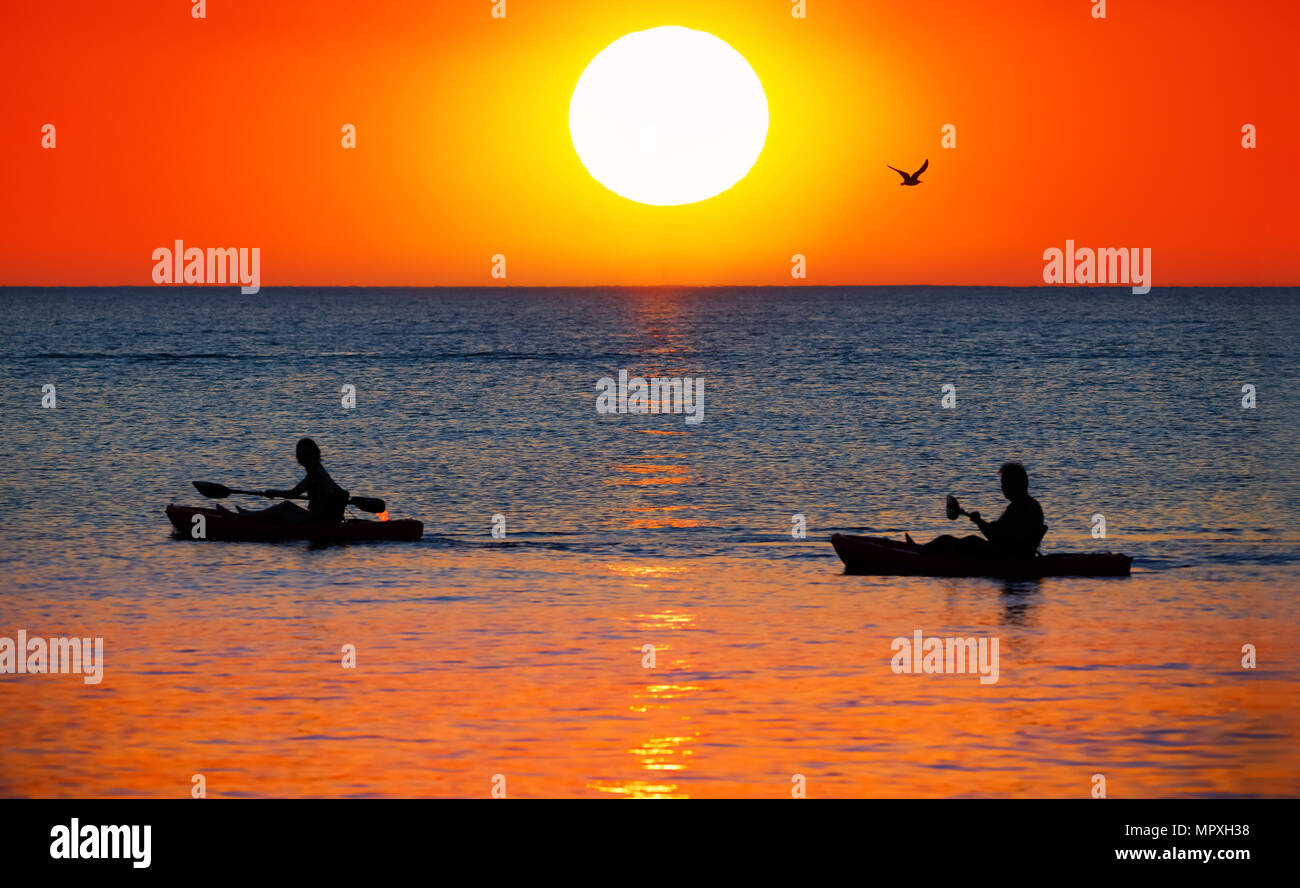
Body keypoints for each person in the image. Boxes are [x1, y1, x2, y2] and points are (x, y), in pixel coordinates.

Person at [917, 462, 1046, 559]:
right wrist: (982, 523)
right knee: (965, 541)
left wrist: (979, 522)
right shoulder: (1032, 505)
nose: (1002, 487)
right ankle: (921, 550)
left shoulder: (1018, 508)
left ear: (1016, 484)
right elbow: (1002, 532)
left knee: (948, 540)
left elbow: (996, 538)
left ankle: (919, 554)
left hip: (1005, 557)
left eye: (1005, 483)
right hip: (1015, 554)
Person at [249, 438, 351, 525]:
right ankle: (250, 516)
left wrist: (274, 492)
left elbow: (292, 493)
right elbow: (344, 494)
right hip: (326, 520)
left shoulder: (315, 474)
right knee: (285, 508)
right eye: (302, 454)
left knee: (285, 506)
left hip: (320, 522)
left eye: (307, 454)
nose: (304, 458)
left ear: (315, 455)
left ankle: (248, 517)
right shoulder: (321, 471)